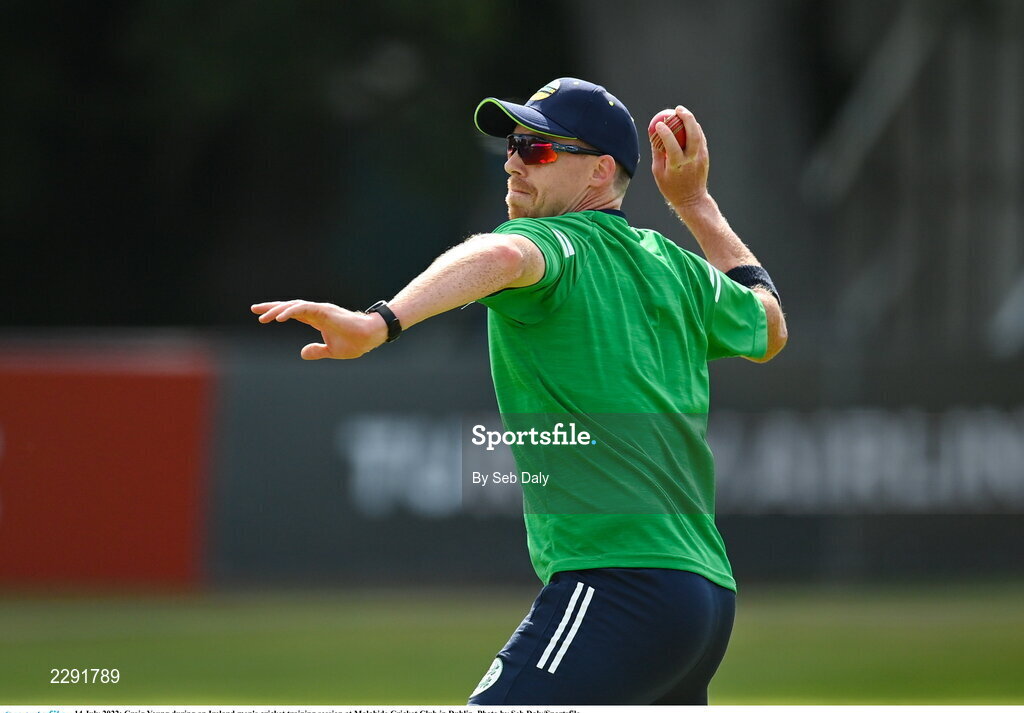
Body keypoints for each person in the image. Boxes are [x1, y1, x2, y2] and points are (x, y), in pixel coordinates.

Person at [251, 77, 787, 705]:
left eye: (538, 148)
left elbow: (501, 256)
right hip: (704, 599)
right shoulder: (674, 268)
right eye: (512, 144)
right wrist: (695, 203)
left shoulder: (555, 241)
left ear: (599, 172)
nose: (512, 160)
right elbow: (770, 323)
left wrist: (378, 322)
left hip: (619, 583)